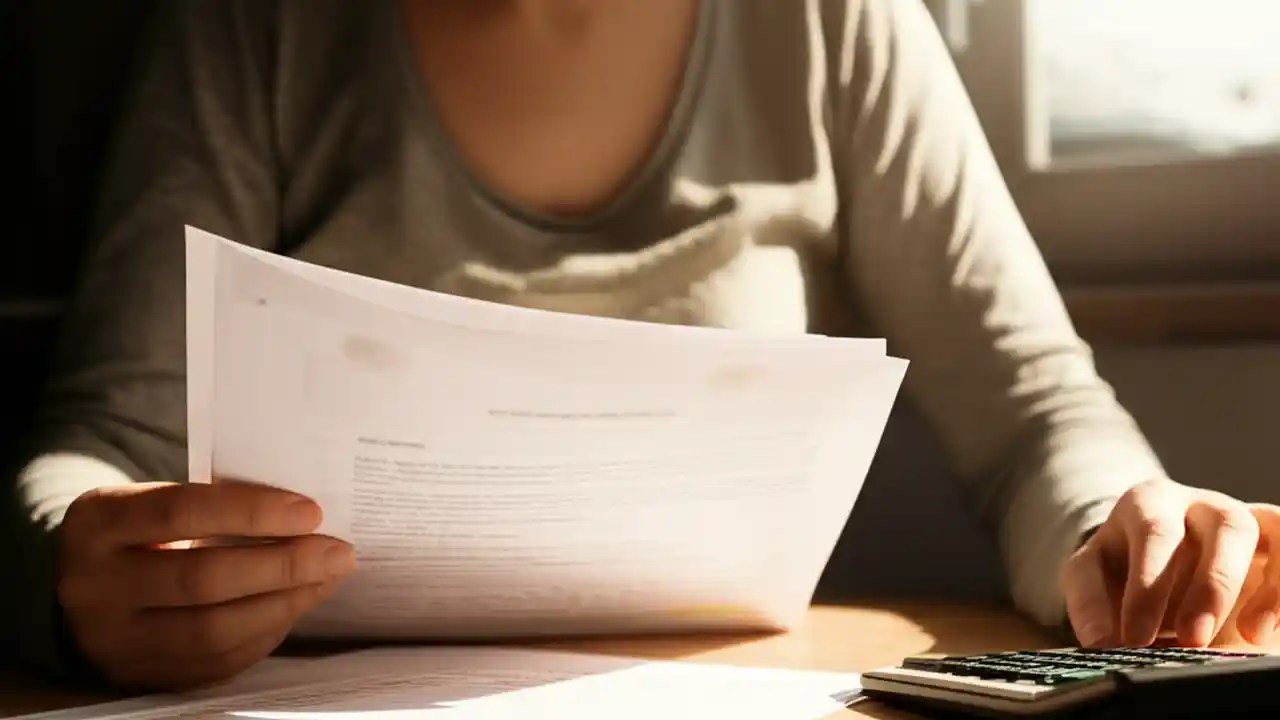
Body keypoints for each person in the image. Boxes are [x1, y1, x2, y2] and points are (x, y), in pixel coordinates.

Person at [6, 0, 1279, 690]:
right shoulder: (250, 31)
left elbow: (1029, 415)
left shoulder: (831, 20)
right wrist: (79, 575)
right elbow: (101, 439)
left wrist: (1122, 532)